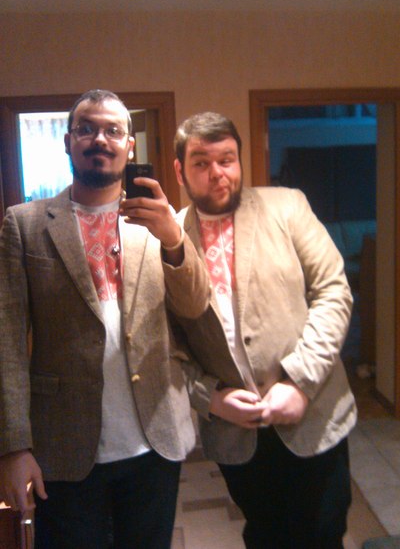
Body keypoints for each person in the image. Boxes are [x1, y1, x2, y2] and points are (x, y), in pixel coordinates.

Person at [0, 89, 210, 549]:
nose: (100, 139)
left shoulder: (160, 221)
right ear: (68, 141)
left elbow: (196, 306)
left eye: (113, 130)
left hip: (154, 439)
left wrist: (174, 240)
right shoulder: (25, 224)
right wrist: (14, 447)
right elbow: (7, 343)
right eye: (87, 129)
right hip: (64, 445)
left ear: (129, 147)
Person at [170, 111, 357, 549]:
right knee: (264, 534)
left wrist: (300, 382)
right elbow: (166, 344)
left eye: (227, 159)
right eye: (201, 163)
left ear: (239, 160)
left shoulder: (287, 206)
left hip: (313, 413)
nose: (218, 173)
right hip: (236, 429)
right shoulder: (168, 238)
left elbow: (333, 292)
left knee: (324, 532)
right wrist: (211, 399)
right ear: (180, 170)